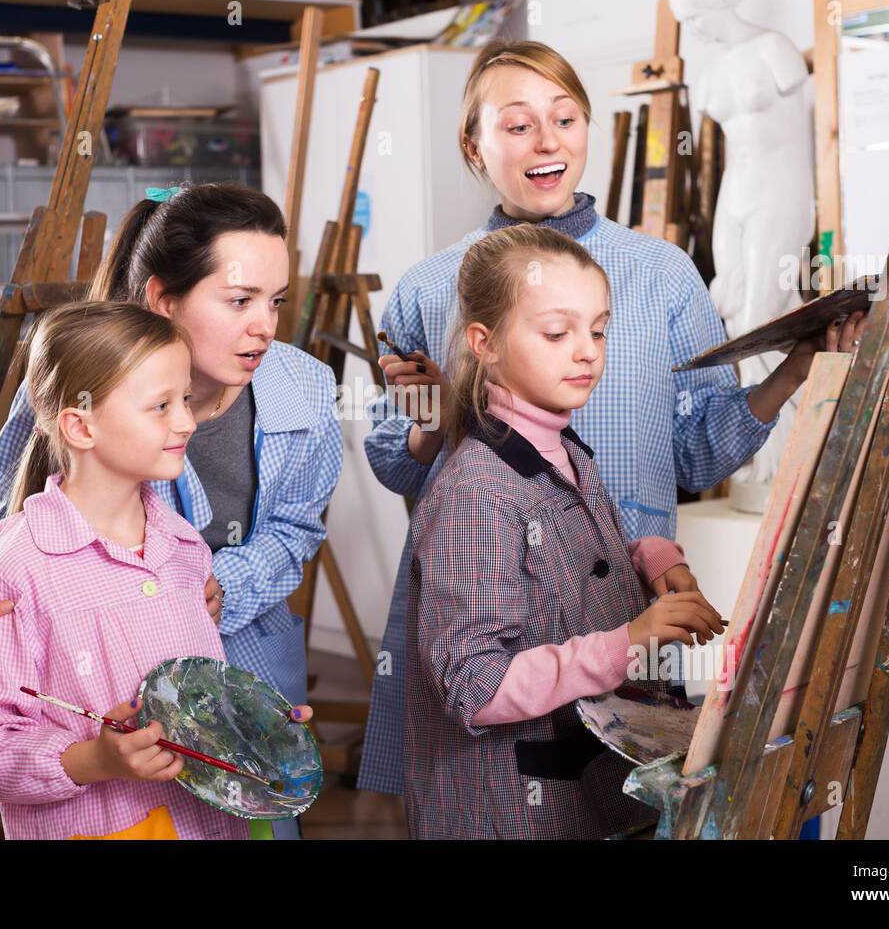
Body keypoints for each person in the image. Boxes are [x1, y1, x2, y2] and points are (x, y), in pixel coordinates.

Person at [360, 40, 863, 798]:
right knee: (499, 796)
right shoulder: (433, 287)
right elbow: (397, 462)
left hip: (631, 603)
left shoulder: (660, 273)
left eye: (565, 118)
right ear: (474, 145)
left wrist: (795, 369)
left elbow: (697, 454)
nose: (547, 141)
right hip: (493, 612)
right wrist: (429, 419)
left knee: (617, 798)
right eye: (518, 124)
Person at [0, 183, 342, 839]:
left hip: (239, 677)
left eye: (277, 301)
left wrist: (226, 589)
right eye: (239, 300)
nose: (266, 325)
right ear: (162, 299)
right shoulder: (81, 373)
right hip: (98, 722)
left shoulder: (305, 392)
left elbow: (296, 528)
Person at [405, 225, 724, 838]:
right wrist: (628, 640)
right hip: (506, 806)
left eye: (598, 330)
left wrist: (654, 559)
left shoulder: (563, 448)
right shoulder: (477, 493)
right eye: (557, 333)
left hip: (578, 787)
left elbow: (570, 558)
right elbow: (473, 684)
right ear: (485, 343)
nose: (587, 351)